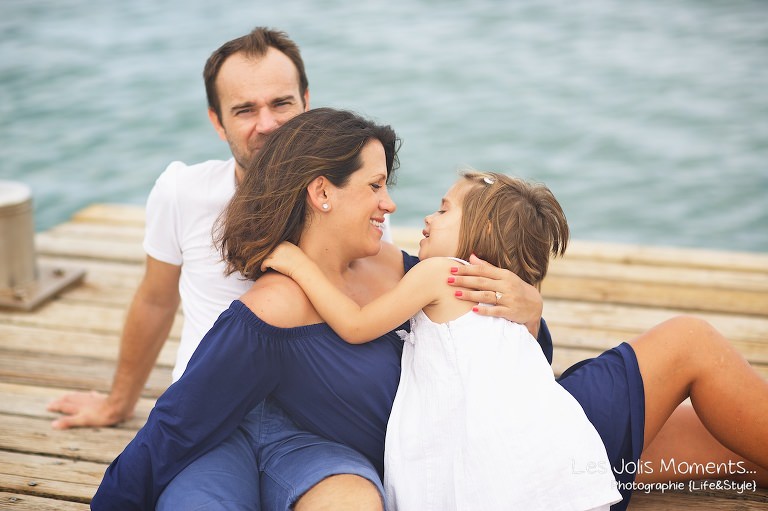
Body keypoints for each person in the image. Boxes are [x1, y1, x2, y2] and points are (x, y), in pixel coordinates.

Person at [92, 109, 768, 511]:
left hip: (527, 430)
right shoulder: (267, 317)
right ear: (322, 193)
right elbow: (174, 428)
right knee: (689, 343)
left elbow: (499, 348)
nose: (390, 204)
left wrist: (531, 310)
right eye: (376, 186)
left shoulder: (398, 265)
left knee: (728, 442)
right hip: (482, 477)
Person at [46, 26, 541, 431]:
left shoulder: (353, 206)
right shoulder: (182, 192)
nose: (267, 124)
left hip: (315, 421)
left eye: (281, 103)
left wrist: (529, 314)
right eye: (244, 110)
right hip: (211, 408)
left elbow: (400, 307)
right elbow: (156, 300)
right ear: (217, 122)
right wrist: (118, 402)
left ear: (306, 102)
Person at [262, 171, 623, 510]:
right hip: (549, 450)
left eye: (444, 210)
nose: (429, 218)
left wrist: (299, 265)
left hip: (496, 459)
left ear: (483, 228)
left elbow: (356, 325)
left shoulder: (442, 273)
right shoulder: (504, 299)